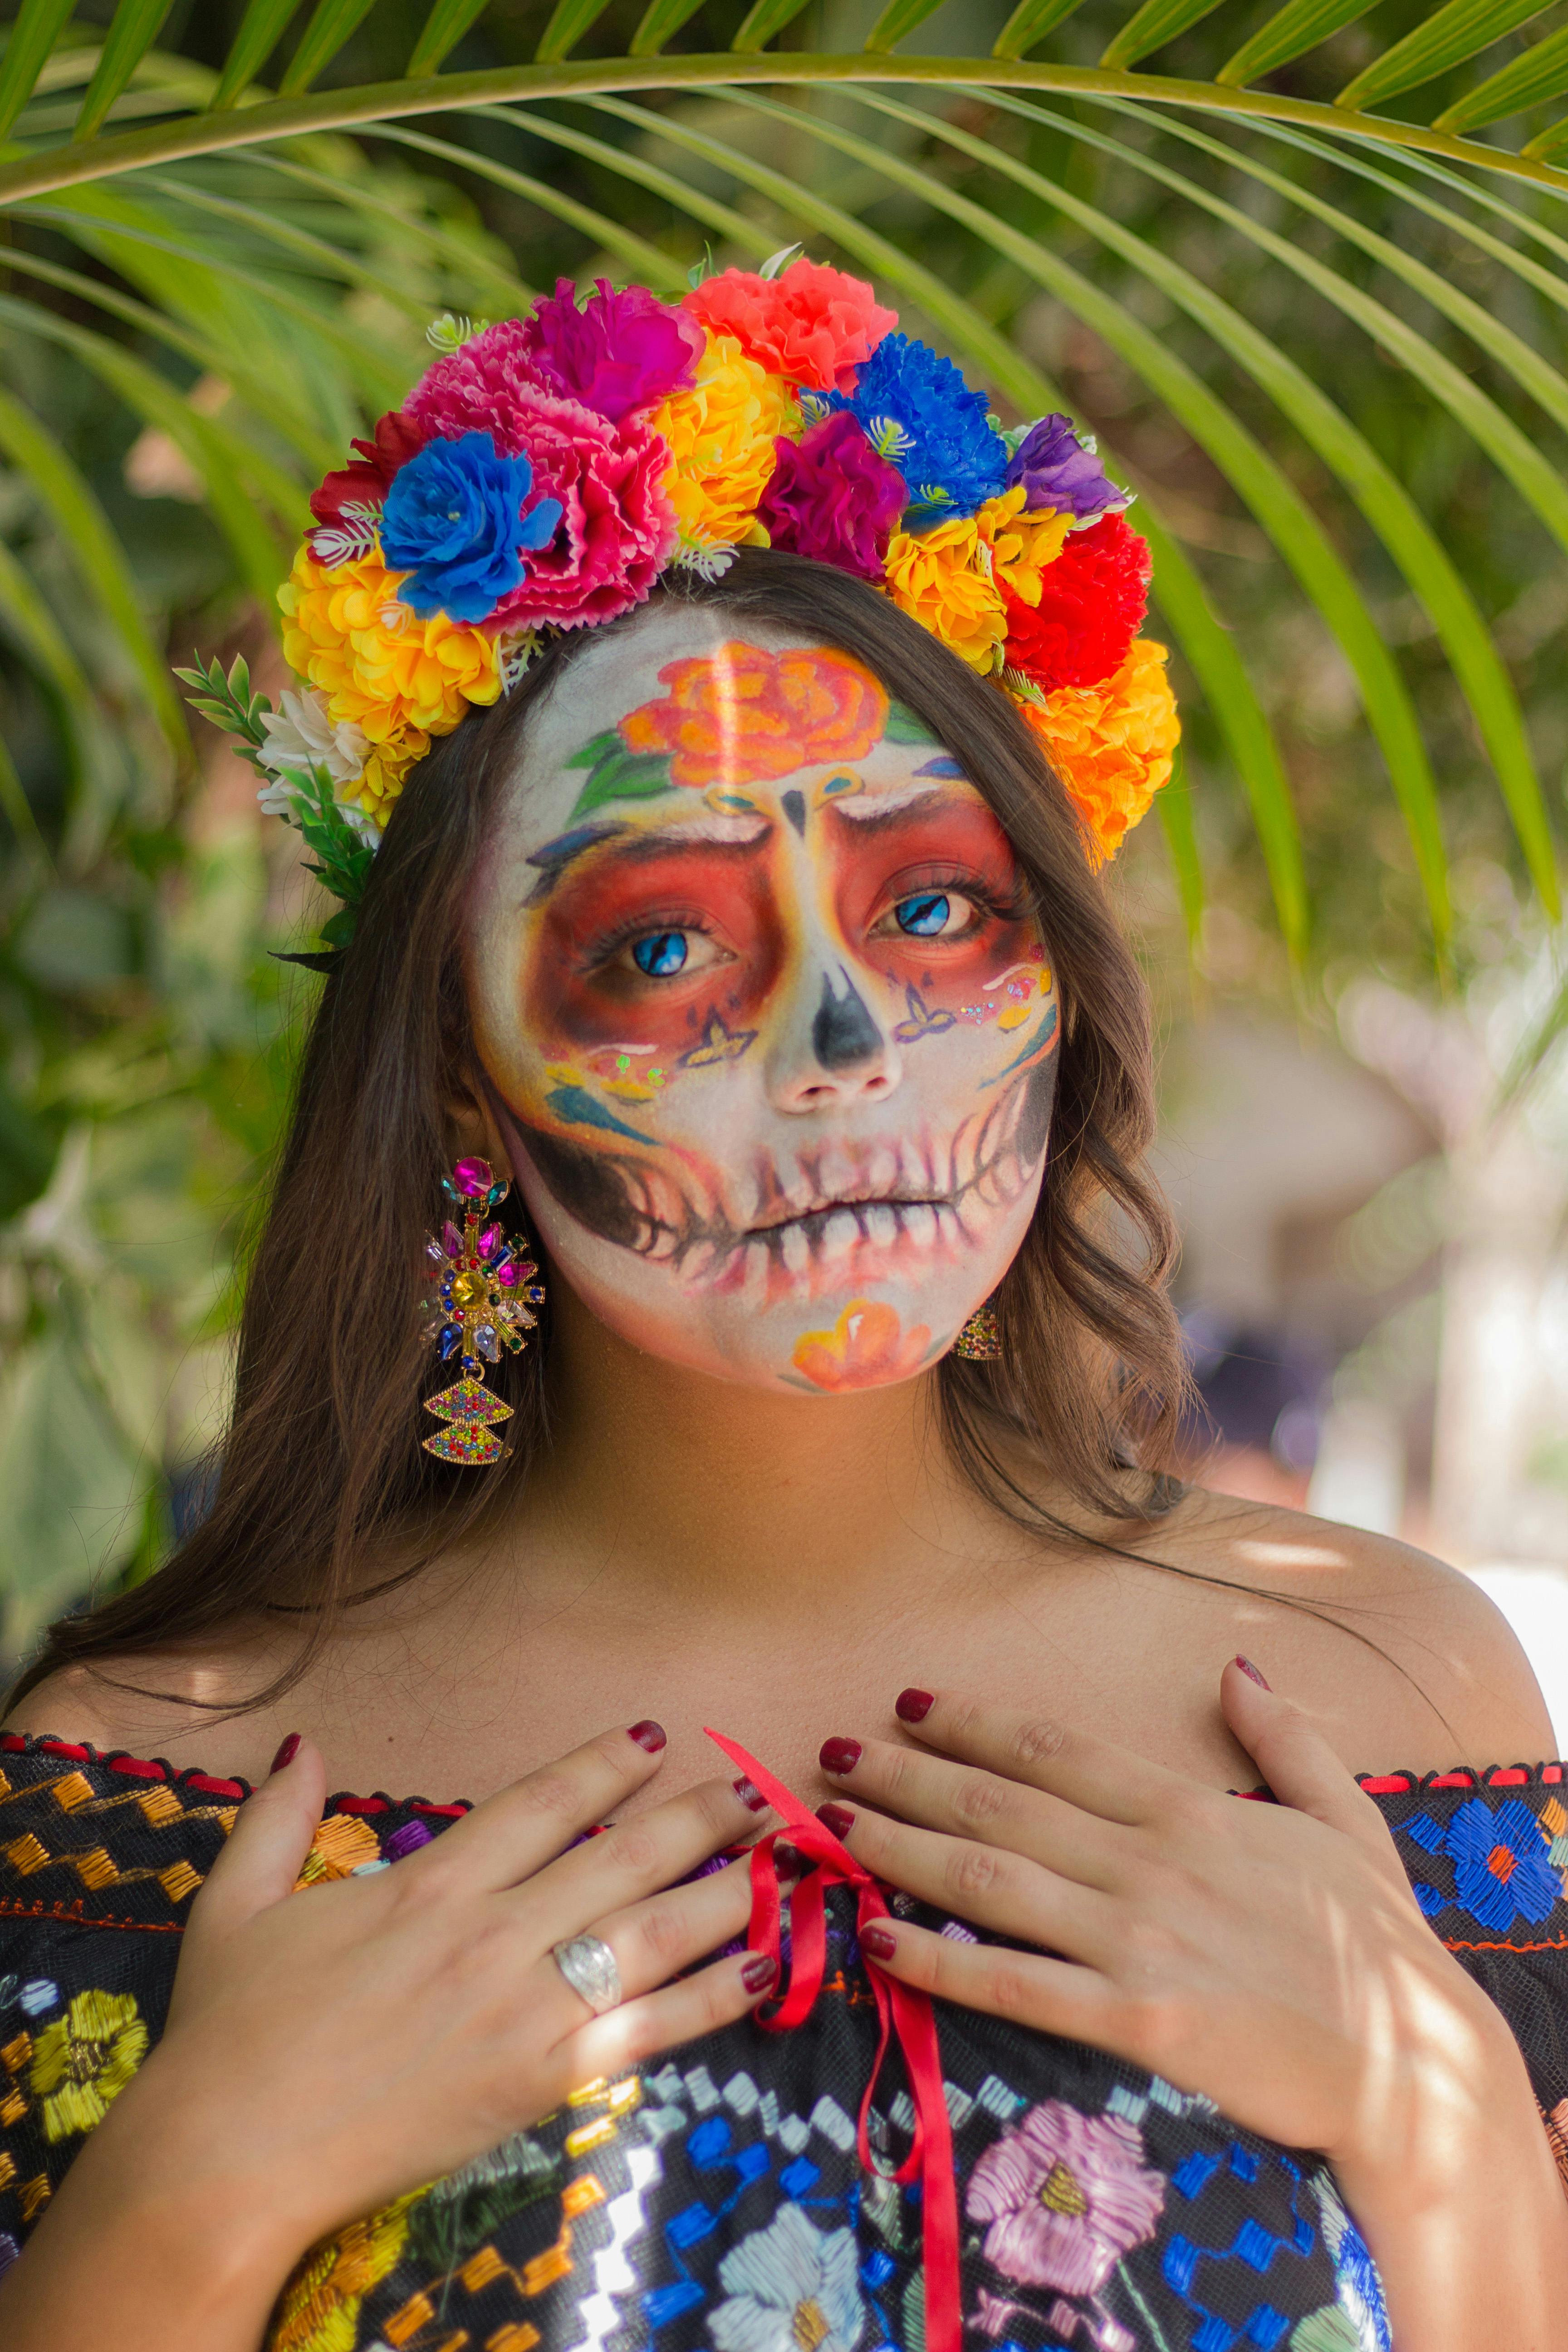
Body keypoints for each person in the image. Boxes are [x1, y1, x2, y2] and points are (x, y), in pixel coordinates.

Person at [1, 270, 1565, 2352]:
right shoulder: (155, 1787)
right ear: (460, 1060)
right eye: (663, 947)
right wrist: (197, 2196)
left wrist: (1437, 2116)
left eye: (931, 909)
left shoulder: (1389, 1705)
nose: (842, 1045)